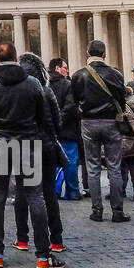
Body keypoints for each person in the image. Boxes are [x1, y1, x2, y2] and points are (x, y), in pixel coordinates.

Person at [0, 43, 63, 268]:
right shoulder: (33, 83)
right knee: (36, 197)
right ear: (15, 57)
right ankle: (43, 257)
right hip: (28, 144)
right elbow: (42, 116)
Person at [13, 53, 67, 256]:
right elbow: (58, 122)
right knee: (48, 193)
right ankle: (56, 241)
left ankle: (22, 239)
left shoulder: (15, 93)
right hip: (46, 147)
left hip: (22, 147)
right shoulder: (46, 91)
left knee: (21, 191)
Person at [71, 39, 130, 223]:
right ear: (104, 54)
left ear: (87, 54)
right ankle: (117, 211)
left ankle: (97, 210)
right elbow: (122, 99)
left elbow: (74, 101)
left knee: (93, 167)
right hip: (112, 122)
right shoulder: (116, 74)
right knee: (114, 167)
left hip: (89, 123)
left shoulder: (79, 75)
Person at [49, 58, 81, 200]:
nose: (67, 70)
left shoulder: (43, 85)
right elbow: (70, 107)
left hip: (49, 130)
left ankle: (53, 190)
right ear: (57, 68)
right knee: (70, 161)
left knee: (52, 162)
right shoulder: (68, 85)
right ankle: (72, 191)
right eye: (65, 67)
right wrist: (59, 121)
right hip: (67, 130)